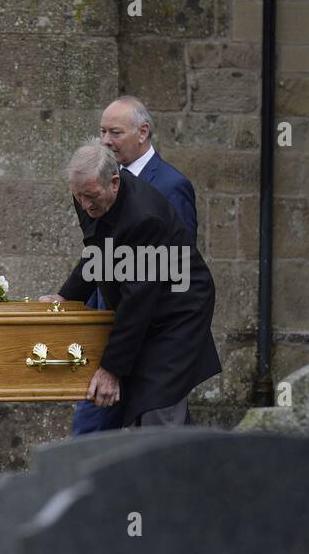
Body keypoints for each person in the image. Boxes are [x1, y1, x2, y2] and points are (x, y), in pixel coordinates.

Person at [40, 140, 219, 426]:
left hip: (176, 314)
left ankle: (173, 466)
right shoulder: (89, 195)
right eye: (78, 196)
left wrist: (111, 369)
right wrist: (66, 297)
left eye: (90, 197)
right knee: (144, 410)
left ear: (114, 182)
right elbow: (99, 249)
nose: (85, 206)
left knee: (156, 408)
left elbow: (138, 299)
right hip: (143, 307)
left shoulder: (144, 218)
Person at [72, 95, 198, 435]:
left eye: (115, 132)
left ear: (143, 133)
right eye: (102, 132)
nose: (106, 141)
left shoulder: (170, 188)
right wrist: (64, 298)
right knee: (92, 431)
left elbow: (170, 275)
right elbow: (98, 250)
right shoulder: (96, 181)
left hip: (151, 335)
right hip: (110, 328)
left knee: (157, 437)